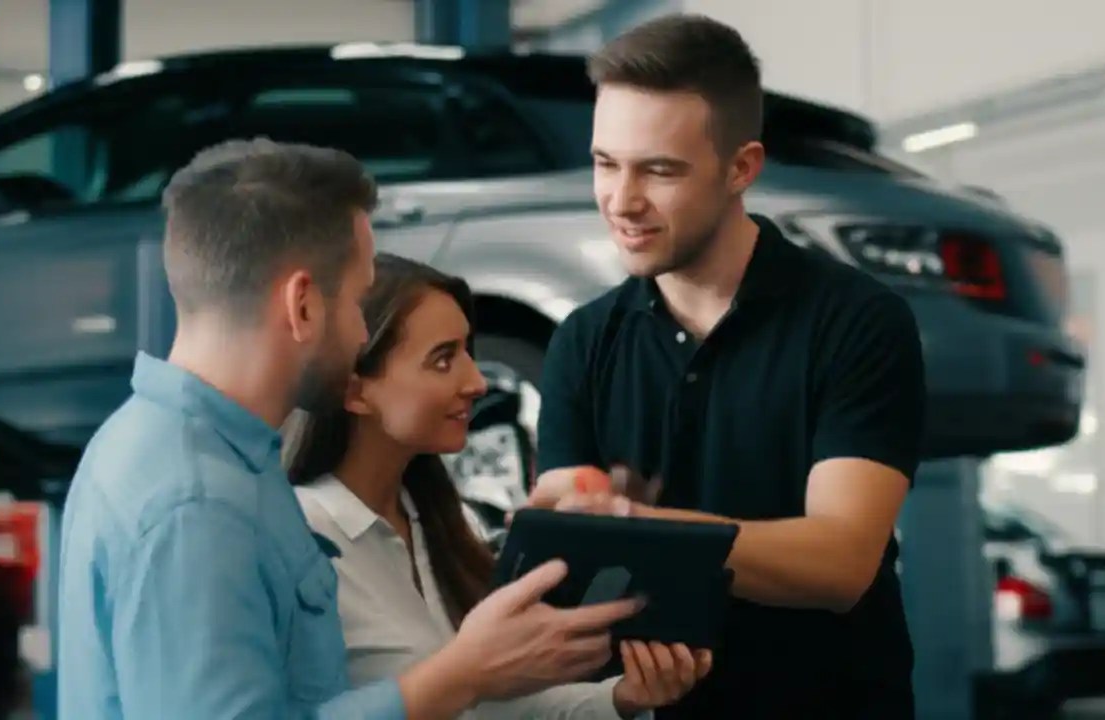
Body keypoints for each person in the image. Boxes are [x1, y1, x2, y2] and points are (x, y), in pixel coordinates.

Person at [55, 138, 643, 720]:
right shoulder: (197, 502)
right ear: (303, 305)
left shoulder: (192, 456)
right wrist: (461, 674)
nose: (364, 336)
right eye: (359, 302)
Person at [527, 13, 927, 720]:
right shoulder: (583, 343)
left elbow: (840, 563)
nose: (622, 201)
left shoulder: (857, 322)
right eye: (605, 163)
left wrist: (636, 527)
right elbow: (569, 548)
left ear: (741, 167)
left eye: (659, 169)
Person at [284, 253, 712, 719]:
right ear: (354, 391)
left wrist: (623, 698)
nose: (476, 381)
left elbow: (495, 707)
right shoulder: (296, 540)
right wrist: (465, 672)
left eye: (468, 351)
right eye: (443, 360)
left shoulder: (447, 521)